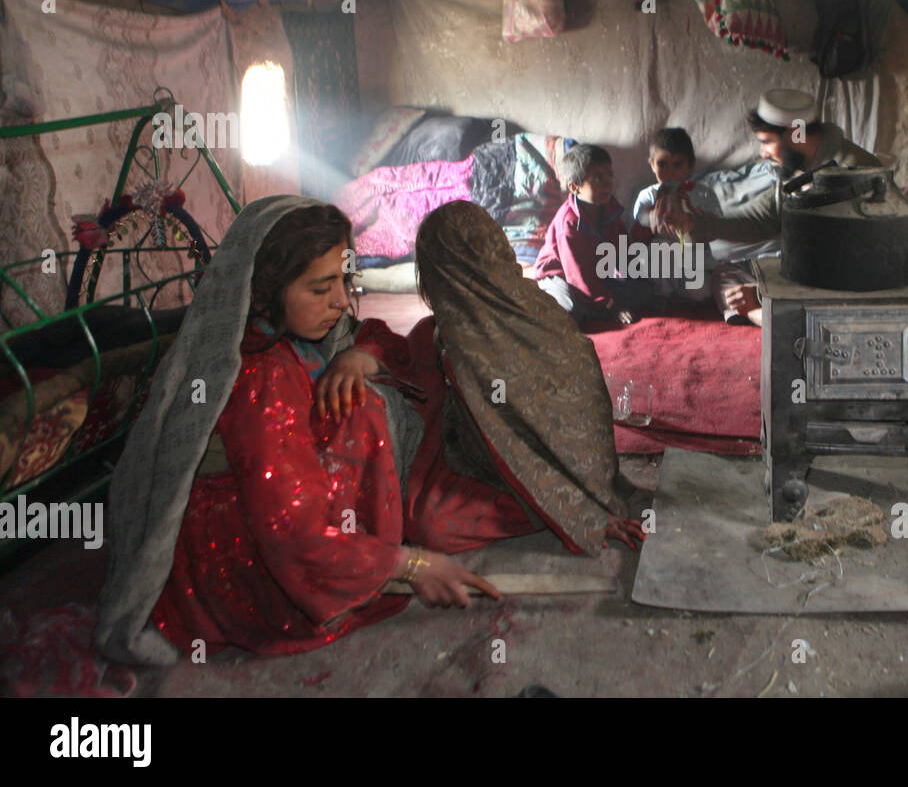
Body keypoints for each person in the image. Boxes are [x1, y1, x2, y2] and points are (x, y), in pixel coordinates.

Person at [95, 196, 632, 667]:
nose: (338, 301)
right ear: (263, 291)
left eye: (344, 281)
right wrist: (408, 562)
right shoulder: (264, 380)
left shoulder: (313, 333)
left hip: (307, 498)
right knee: (378, 422)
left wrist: (360, 354)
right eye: (320, 287)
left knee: (393, 393)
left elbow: (373, 335)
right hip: (251, 560)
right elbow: (293, 532)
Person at [411, 200, 644, 557]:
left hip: (530, 476)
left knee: (426, 522)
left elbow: (505, 441)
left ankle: (553, 510)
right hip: (596, 473)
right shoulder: (537, 303)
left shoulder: (463, 343)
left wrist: (580, 512)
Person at [655, 88, 885, 325]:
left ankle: (767, 316)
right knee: (726, 275)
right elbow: (763, 218)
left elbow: (836, 265)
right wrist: (695, 223)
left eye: (766, 142)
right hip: (803, 271)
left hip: (844, 281)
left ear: (796, 133)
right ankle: (766, 315)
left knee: (769, 294)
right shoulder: (799, 167)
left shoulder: (850, 172)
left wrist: (761, 292)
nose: (763, 153)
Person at [533, 143, 652, 324]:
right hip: (560, 274)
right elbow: (577, 274)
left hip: (593, 272)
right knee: (568, 310)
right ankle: (589, 305)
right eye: (598, 178)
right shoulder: (569, 223)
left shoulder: (610, 208)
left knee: (642, 290)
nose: (607, 183)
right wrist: (612, 305)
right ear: (574, 187)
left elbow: (623, 250)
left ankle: (596, 304)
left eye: (609, 175)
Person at [631, 127, 720, 304]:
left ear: (690, 165)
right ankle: (662, 295)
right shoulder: (647, 196)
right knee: (661, 247)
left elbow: (716, 236)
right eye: (662, 165)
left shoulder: (703, 194)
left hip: (694, 261)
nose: (670, 173)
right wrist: (653, 216)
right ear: (652, 164)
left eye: (678, 165)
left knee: (701, 290)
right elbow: (635, 240)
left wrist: (692, 217)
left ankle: (682, 295)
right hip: (661, 264)